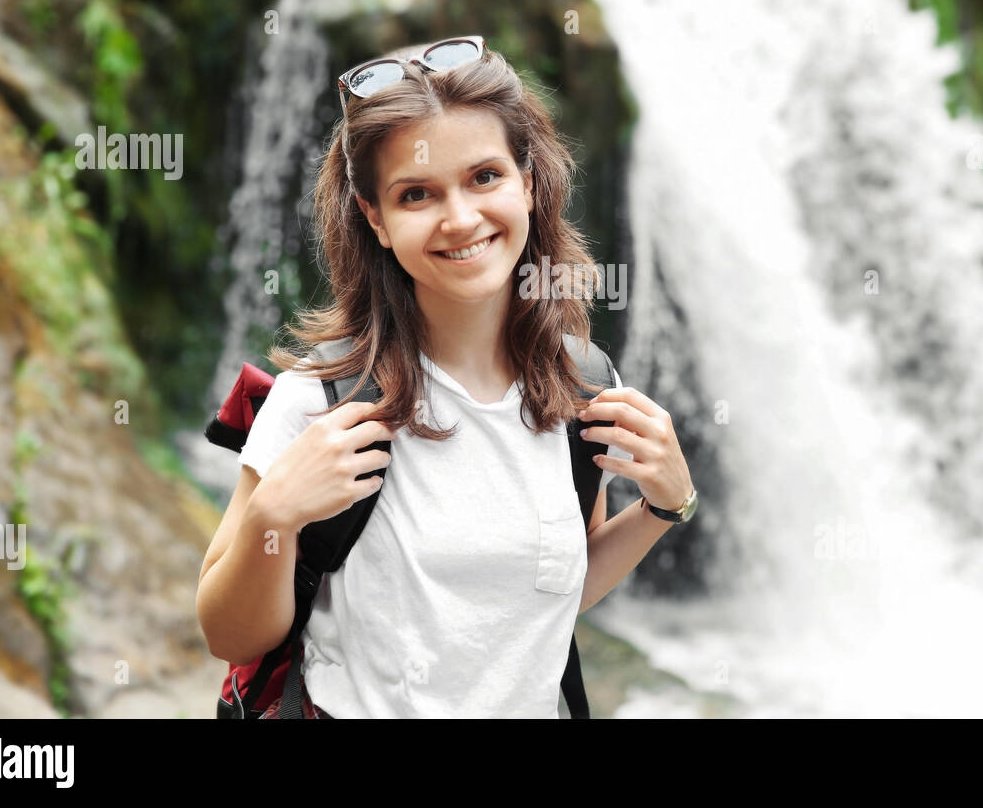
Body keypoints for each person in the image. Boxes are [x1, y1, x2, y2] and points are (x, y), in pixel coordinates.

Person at [195, 36, 697, 718]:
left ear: (528, 180)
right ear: (375, 219)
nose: (460, 218)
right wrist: (274, 511)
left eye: (484, 176)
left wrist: (665, 507)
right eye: (417, 194)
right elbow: (230, 634)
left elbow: (541, 600)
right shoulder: (321, 401)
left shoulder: (582, 387)